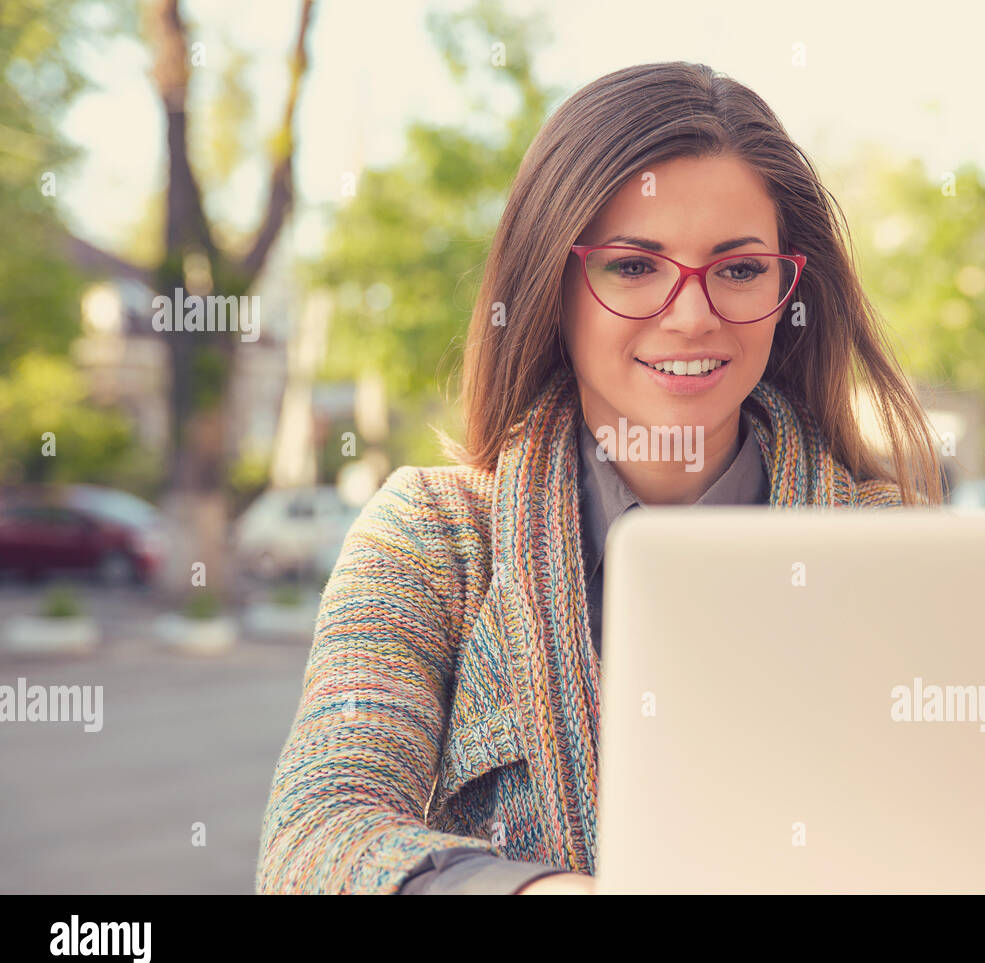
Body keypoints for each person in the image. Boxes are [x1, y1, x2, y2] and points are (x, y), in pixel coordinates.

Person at [255, 60, 942, 895]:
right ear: (554, 285)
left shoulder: (894, 547)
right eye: (632, 266)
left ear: (788, 286)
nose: (692, 315)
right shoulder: (433, 538)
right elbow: (315, 838)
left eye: (738, 268)